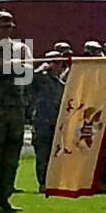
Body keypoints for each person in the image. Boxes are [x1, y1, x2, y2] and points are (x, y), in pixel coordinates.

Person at [0, 10, 30, 213]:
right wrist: (10, 67)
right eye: (3, 26)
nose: (7, 30)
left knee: (11, 156)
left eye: (9, 26)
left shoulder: (20, 48)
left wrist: (5, 67)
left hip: (15, 109)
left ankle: (5, 196)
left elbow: (26, 72)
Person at [29, 50, 67, 192]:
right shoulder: (40, 78)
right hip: (42, 121)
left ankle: (54, 181)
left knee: (55, 154)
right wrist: (42, 68)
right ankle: (43, 183)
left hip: (56, 122)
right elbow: (29, 81)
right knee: (42, 153)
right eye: (55, 62)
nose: (57, 66)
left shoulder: (60, 84)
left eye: (59, 63)